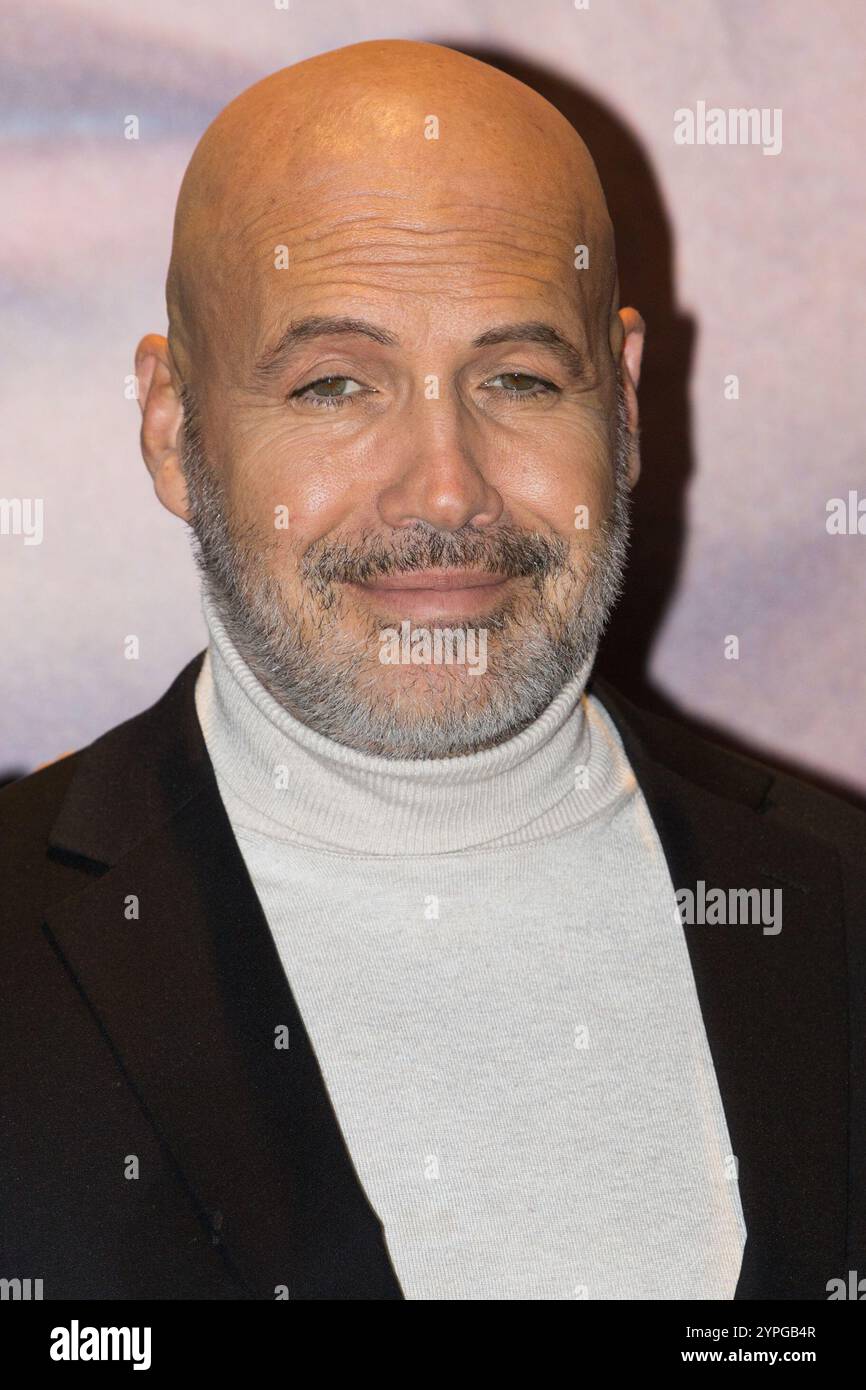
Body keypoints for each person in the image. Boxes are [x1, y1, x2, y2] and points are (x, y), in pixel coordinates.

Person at [2, 39, 864, 1301]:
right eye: (333, 383)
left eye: (516, 377)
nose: (446, 487)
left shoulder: (835, 906)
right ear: (173, 426)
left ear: (621, 406)